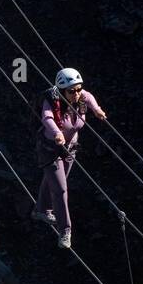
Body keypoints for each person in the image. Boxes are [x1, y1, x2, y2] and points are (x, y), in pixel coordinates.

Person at [32, 67, 106, 249]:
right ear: (62, 90)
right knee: (61, 190)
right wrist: (57, 133)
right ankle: (65, 230)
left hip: (70, 149)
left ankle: (41, 210)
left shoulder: (81, 97)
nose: (77, 93)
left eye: (79, 88)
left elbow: (88, 97)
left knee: (55, 181)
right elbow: (47, 118)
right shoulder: (52, 101)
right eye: (72, 91)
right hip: (50, 149)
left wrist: (96, 110)